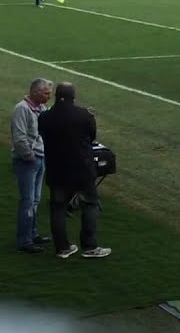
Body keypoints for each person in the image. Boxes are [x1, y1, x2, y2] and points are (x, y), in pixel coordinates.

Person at [38, 83, 110, 259]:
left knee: (58, 207)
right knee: (90, 204)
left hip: (57, 168)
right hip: (82, 168)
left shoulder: (45, 117)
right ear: (73, 96)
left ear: (56, 95)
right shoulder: (84, 115)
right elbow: (92, 136)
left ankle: (62, 247)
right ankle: (89, 246)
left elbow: (43, 135)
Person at [11, 78, 52, 254]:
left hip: (40, 158)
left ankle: (32, 234)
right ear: (35, 92)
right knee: (27, 201)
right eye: (46, 93)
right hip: (28, 161)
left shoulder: (41, 108)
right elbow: (19, 137)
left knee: (35, 200)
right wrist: (29, 155)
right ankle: (24, 240)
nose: (49, 97)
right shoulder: (22, 109)